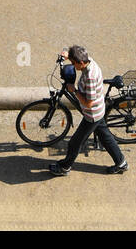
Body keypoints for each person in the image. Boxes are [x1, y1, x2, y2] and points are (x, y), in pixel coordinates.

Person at [48, 44, 127, 176]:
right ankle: (121, 163)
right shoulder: (88, 60)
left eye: (74, 63)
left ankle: (65, 167)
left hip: (92, 115)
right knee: (105, 138)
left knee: (74, 143)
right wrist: (68, 55)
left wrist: (74, 90)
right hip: (99, 109)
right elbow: (77, 55)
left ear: (81, 63)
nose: (73, 66)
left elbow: (88, 103)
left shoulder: (90, 77)